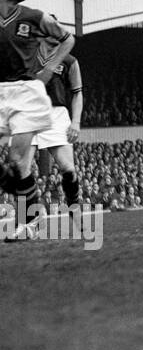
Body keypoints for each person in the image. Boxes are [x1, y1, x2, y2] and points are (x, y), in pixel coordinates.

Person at [1, 0, 75, 241]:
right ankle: (26, 200)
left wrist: (46, 71)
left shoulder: (34, 17)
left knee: (19, 160)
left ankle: (28, 223)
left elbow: (67, 39)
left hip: (25, 92)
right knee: (15, 168)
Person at [33, 33, 84, 215]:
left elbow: (77, 93)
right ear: (40, 33)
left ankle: (73, 208)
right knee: (21, 168)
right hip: (29, 111)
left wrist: (76, 122)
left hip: (56, 114)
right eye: (50, 29)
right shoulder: (26, 55)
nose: (55, 33)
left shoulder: (69, 61)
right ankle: (25, 221)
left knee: (68, 168)